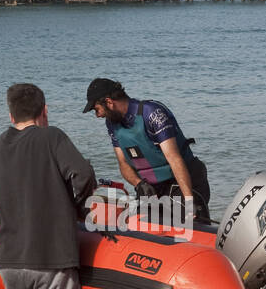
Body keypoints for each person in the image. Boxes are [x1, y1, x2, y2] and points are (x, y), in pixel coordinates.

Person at [0, 83, 96, 289]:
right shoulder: (52, 137)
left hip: (10, 260)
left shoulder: (0, 144)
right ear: (45, 111)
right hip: (51, 257)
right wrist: (75, 205)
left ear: (10, 114)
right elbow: (84, 176)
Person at [83, 78, 211, 223]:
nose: (97, 115)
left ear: (109, 102)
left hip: (183, 181)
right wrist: (139, 184)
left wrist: (189, 202)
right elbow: (123, 163)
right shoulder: (112, 124)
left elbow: (175, 159)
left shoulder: (152, 114)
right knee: (143, 226)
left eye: (96, 109)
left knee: (188, 229)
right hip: (152, 187)